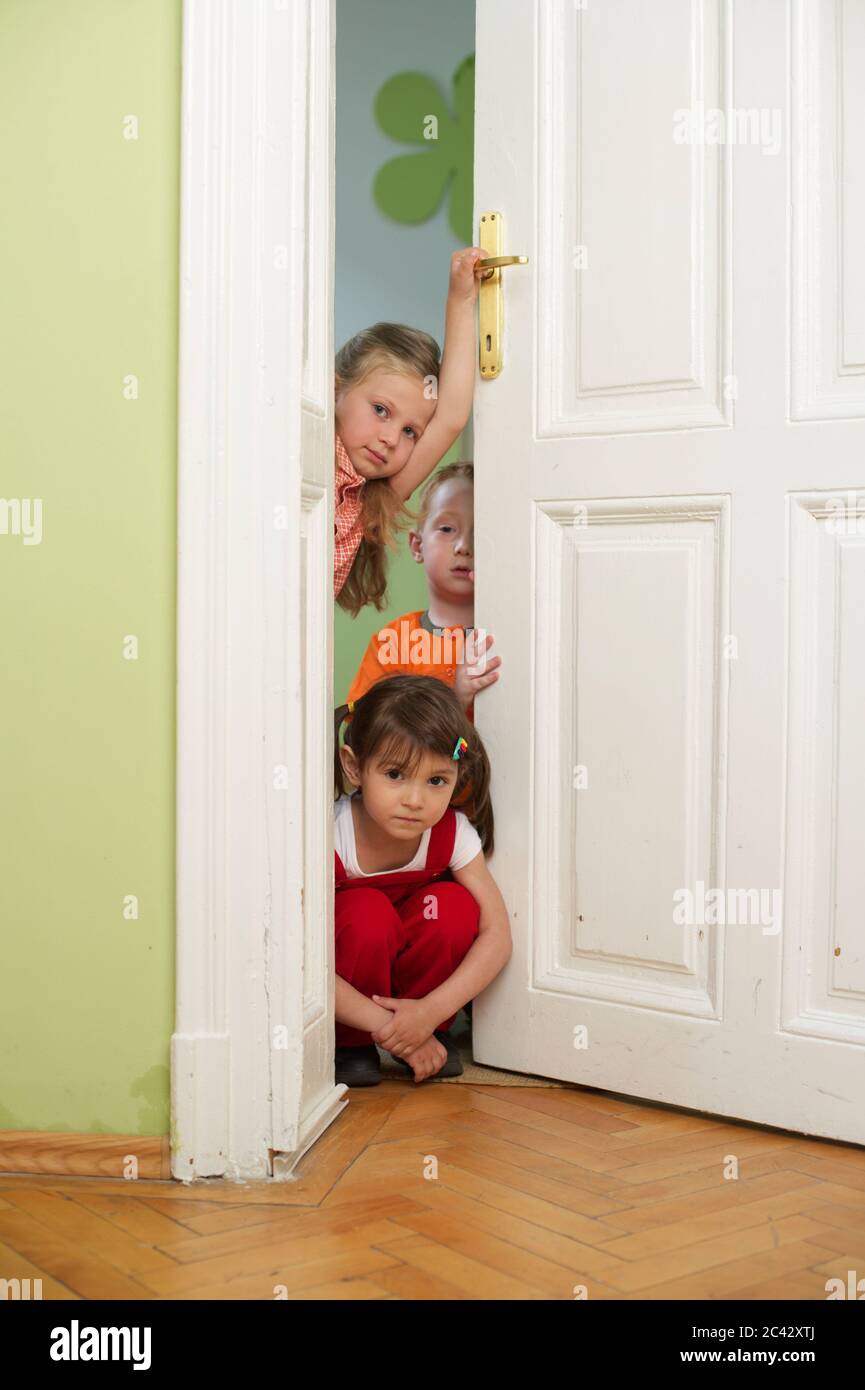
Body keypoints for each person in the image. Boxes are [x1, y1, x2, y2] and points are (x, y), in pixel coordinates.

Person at [333, 675, 512, 1086]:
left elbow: (497, 935)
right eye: (395, 775)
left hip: (422, 1001)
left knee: (451, 907)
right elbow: (299, 961)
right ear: (354, 766)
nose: (416, 801)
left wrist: (429, 1014)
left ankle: (432, 1035)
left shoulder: (453, 833)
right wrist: (388, 1029)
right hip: (358, 1004)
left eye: (436, 781)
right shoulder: (331, 836)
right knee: (367, 914)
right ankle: (353, 1045)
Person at [334, 246, 484, 616]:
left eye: (410, 432)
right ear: (335, 389)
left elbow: (450, 415)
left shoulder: (371, 500)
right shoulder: (306, 454)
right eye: (381, 410)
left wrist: (462, 298)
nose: (390, 438)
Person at [345, 462, 502, 723]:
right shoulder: (392, 643)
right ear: (417, 546)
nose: (464, 546)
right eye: (447, 529)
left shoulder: (511, 637)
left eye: (480, 532)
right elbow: (368, 738)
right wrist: (457, 701)